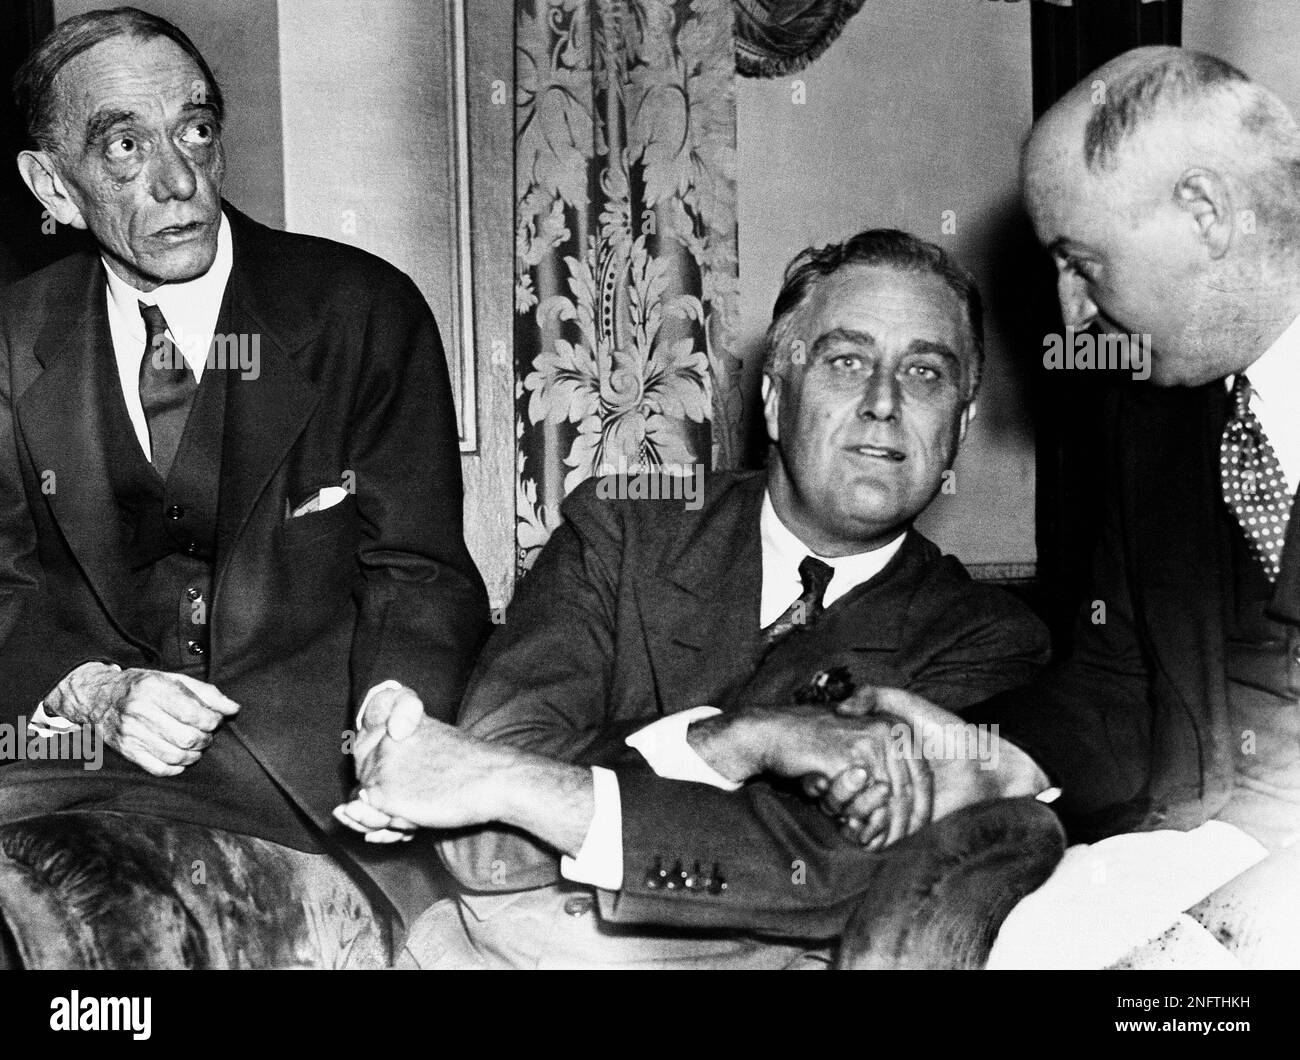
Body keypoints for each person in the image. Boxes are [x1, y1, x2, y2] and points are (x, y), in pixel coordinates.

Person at [336, 229, 1058, 968]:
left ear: (960, 428)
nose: (883, 403)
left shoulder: (987, 638)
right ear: (776, 401)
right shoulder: (623, 528)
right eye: (847, 362)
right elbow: (482, 843)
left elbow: (827, 868)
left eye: (926, 374)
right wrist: (741, 739)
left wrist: (519, 787)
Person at [0, 7, 489, 948]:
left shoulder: (360, 309)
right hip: (76, 763)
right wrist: (94, 689)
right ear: (51, 185)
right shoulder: (12, 342)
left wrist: (394, 721)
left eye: (194, 130)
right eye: (125, 147)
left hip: (305, 784)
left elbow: (419, 575)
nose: (180, 181)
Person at [821, 47, 1300, 967]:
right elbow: (1121, 692)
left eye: (1081, 263)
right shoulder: (1153, 417)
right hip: (1210, 860)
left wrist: (1199, 949)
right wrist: (993, 756)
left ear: (1204, 213)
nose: (1071, 314)